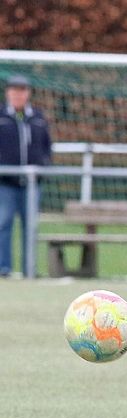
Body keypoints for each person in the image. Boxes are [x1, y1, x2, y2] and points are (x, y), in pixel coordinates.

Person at [0, 74, 52, 277]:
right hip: (5, 183)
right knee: (3, 224)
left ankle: (29, 269)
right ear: (8, 93)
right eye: (14, 90)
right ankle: (4, 268)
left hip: (32, 184)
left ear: (28, 93)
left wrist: (44, 164)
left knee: (30, 227)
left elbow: (46, 146)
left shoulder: (37, 118)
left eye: (22, 90)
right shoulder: (2, 116)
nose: (18, 94)